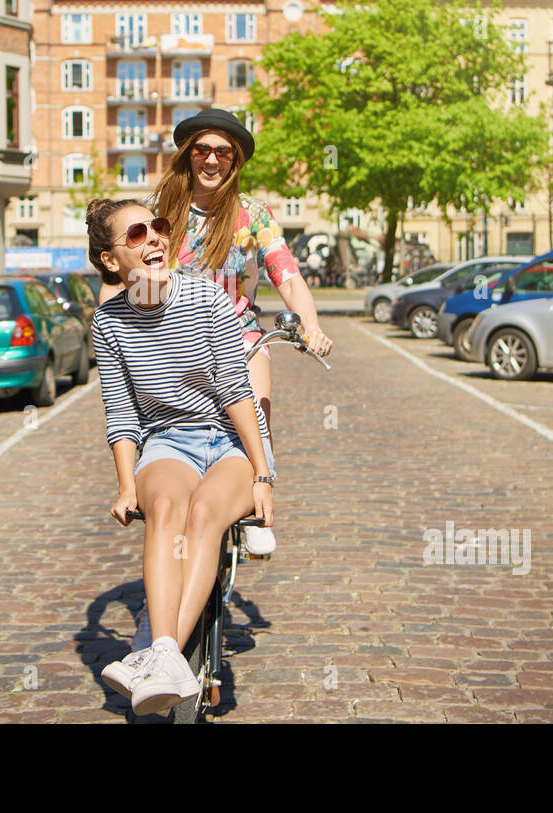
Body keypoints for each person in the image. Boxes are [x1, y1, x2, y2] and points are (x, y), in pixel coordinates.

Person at [97, 109, 332, 554]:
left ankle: (258, 501)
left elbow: (287, 274)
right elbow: (122, 275)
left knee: (257, 401)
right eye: (202, 149)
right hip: (171, 334)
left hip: (239, 334)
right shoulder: (159, 211)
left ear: (235, 162)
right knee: (154, 418)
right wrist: (112, 325)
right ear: (188, 155)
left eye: (223, 152)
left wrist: (310, 324)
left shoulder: (252, 215)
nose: (212, 160)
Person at [87, 198, 276, 716]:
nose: (154, 238)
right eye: (136, 234)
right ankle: (169, 655)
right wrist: (127, 485)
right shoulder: (107, 322)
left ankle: (159, 652)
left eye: (159, 228)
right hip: (167, 440)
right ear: (109, 260)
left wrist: (263, 474)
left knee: (204, 515)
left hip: (228, 442)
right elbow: (121, 412)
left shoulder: (207, 299)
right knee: (165, 510)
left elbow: (237, 392)